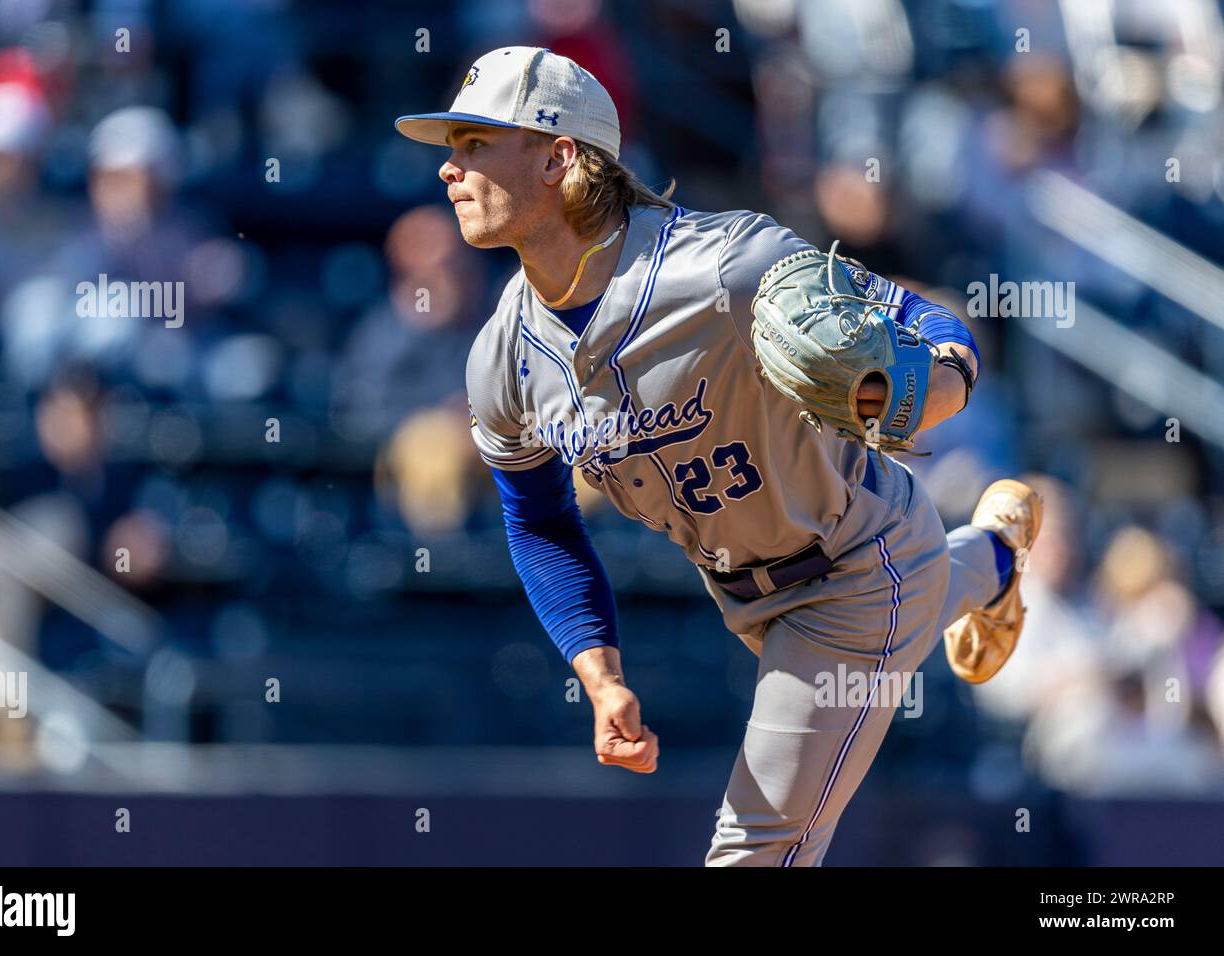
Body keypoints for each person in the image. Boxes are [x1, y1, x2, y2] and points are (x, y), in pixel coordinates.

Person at [394, 46, 1043, 866]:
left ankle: (975, 566)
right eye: (452, 148)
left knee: (755, 848)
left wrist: (933, 389)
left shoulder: (726, 266)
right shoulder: (501, 359)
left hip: (855, 564)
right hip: (748, 597)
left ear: (560, 159)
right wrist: (600, 674)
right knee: (920, 600)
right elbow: (540, 521)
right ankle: (990, 559)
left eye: (475, 144)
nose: (449, 169)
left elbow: (931, 323)